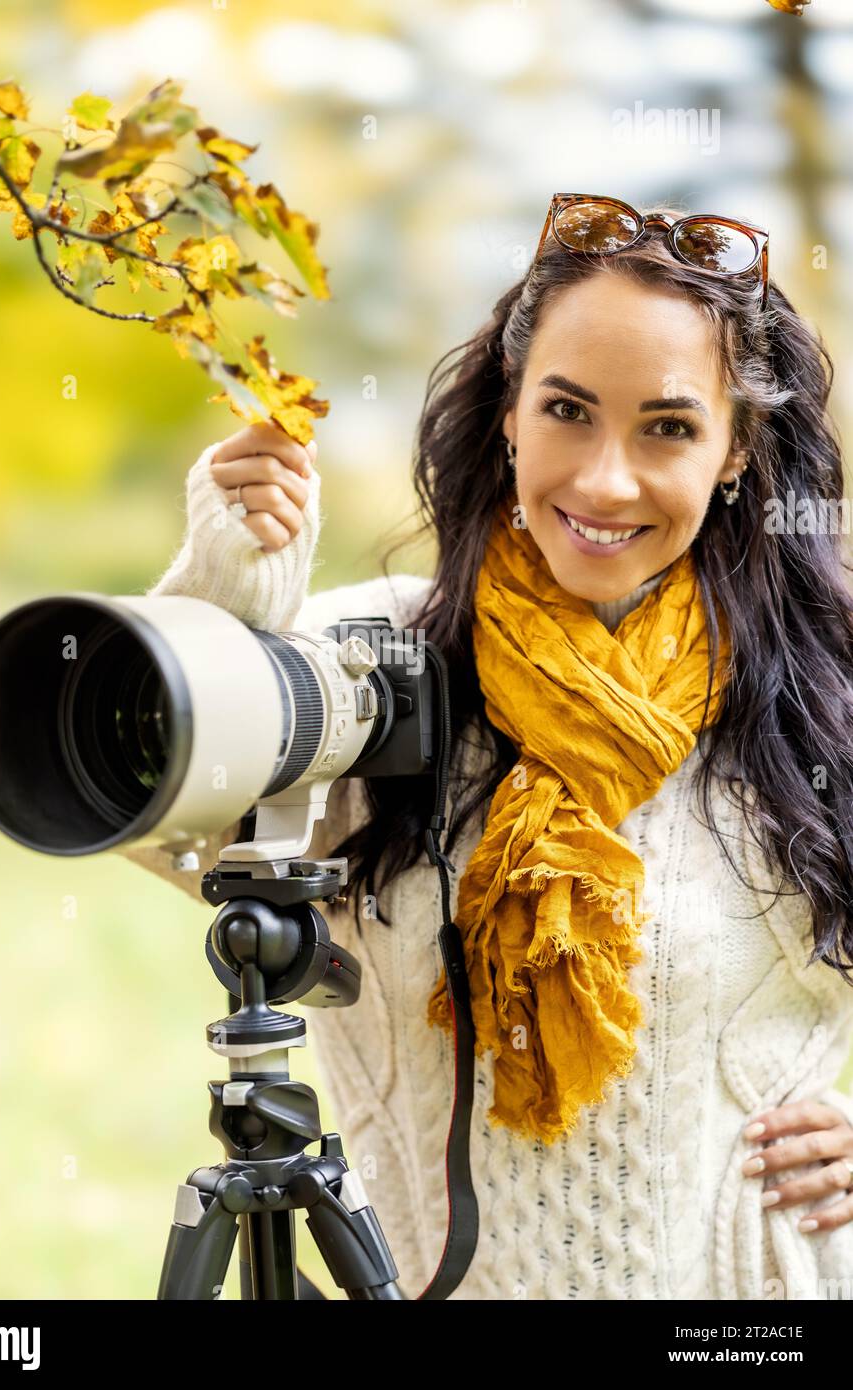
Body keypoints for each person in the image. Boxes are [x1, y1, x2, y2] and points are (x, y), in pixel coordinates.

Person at [122, 196, 853, 1300]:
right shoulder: (379, 659)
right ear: (507, 413)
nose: (604, 480)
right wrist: (231, 600)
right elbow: (158, 810)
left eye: (666, 426)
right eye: (567, 410)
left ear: (738, 449)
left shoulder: (817, 687)